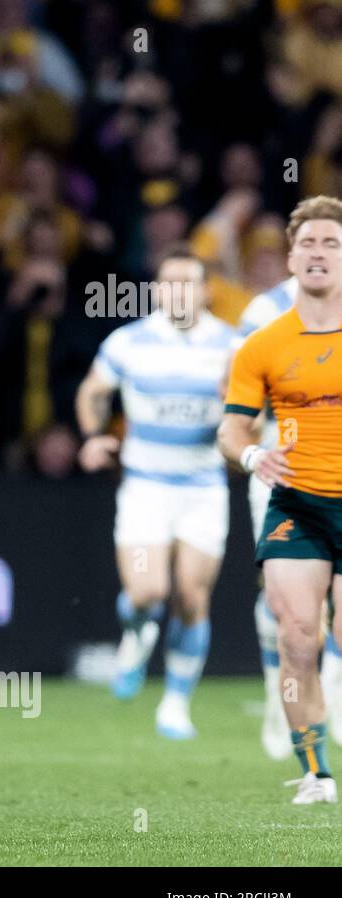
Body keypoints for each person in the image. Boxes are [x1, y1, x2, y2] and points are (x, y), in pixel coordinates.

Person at [76, 246, 238, 739]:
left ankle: (175, 704)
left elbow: (252, 410)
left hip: (203, 488)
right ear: (157, 290)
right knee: (148, 591)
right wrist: (94, 436)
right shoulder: (130, 341)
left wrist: (239, 422)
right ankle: (135, 634)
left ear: (206, 290)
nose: (178, 292)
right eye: (168, 283)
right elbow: (92, 391)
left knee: (191, 597)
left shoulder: (233, 346)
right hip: (146, 486)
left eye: (188, 282)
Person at [219, 195, 342, 805]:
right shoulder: (262, 343)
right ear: (291, 258)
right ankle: (316, 774)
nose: (318, 253)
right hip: (296, 501)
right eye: (308, 244)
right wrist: (248, 455)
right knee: (297, 636)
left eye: (331, 243)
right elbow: (231, 425)